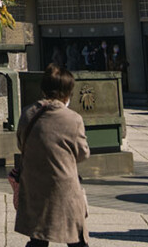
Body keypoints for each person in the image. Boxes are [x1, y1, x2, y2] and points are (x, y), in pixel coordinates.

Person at [13, 64, 89, 247]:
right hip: (63, 185)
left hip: (34, 182)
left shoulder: (27, 113)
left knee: (38, 235)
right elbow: (82, 153)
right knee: (75, 235)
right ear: (67, 93)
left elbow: (21, 144)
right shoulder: (73, 119)